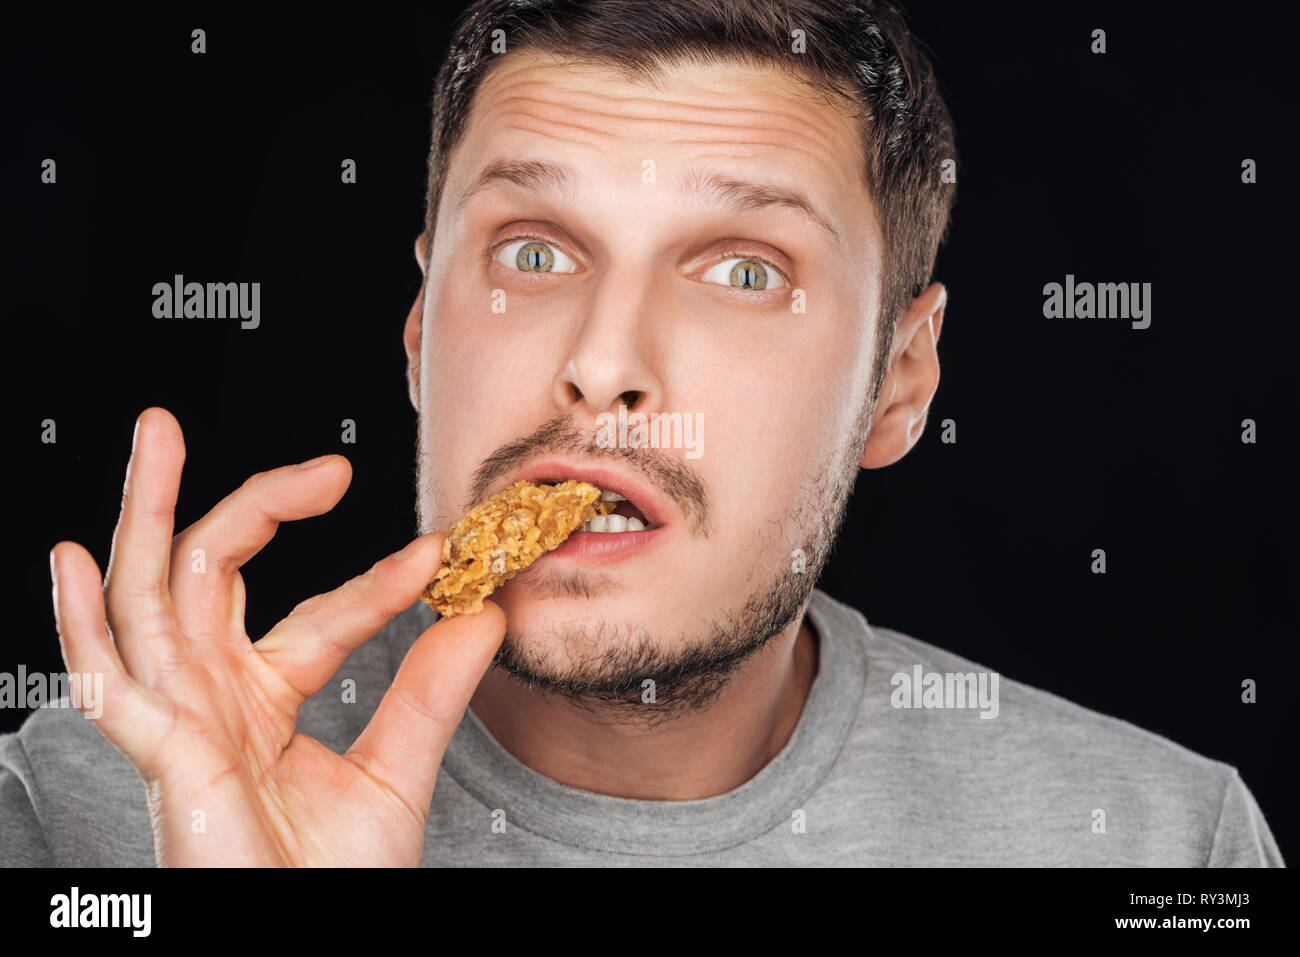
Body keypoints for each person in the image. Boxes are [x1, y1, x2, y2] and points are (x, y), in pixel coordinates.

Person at [2, 0, 1283, 866]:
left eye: (741, 271)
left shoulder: (1164, 844)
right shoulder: (75, 819)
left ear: (897, 385)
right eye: (535, 250)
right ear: (417, 331)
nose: (604, 363)